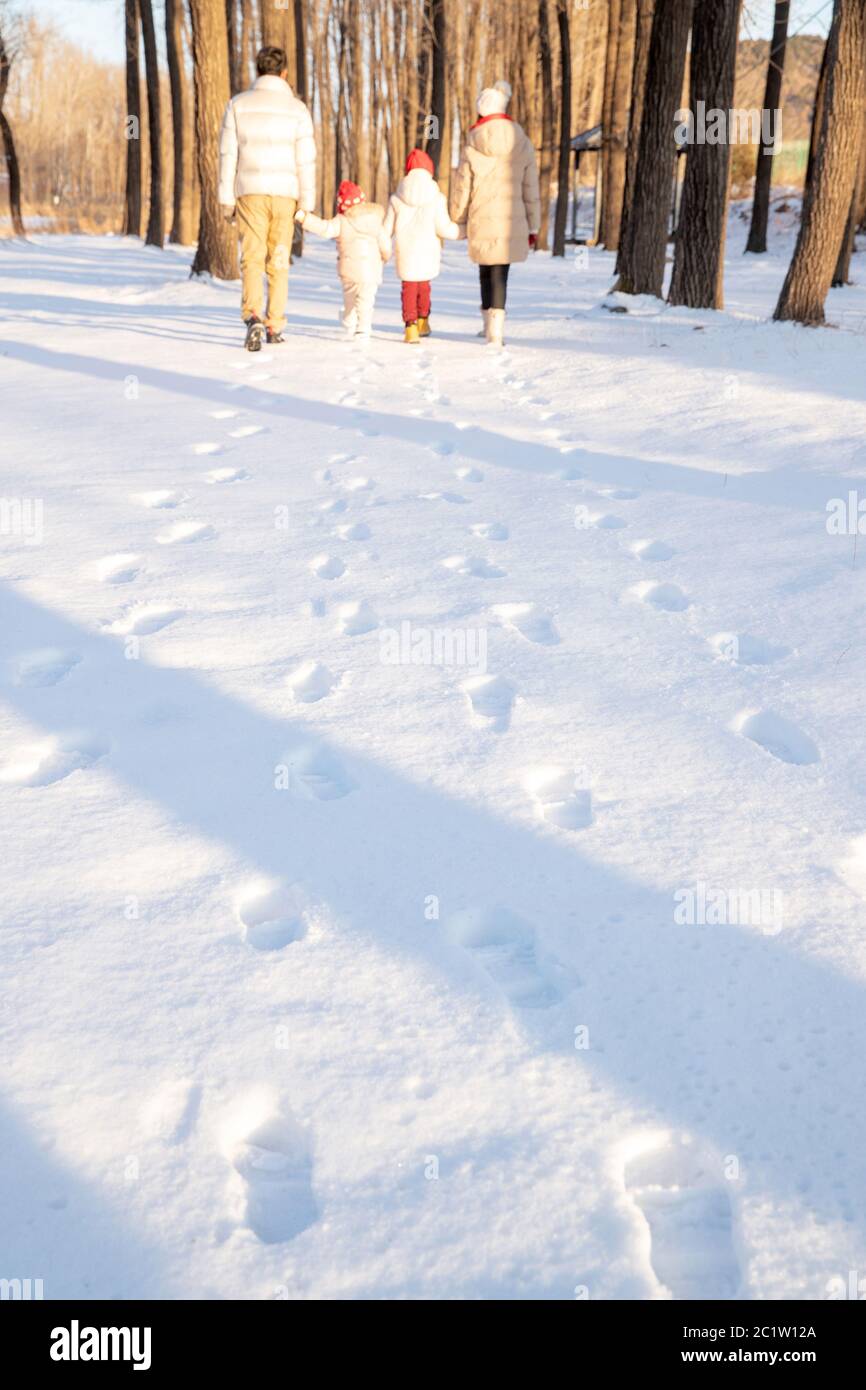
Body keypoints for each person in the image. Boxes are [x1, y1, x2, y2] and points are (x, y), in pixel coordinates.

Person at [218, 45, 317, 351]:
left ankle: (252, 316)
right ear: (284, 73)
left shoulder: (238, 104)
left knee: (252, 257)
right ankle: (275, 323)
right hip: (285, 195)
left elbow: (227, 154)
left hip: (250, 192)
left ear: (258, 70)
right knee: (278, 259)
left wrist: (226, 198)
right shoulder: (298, 109)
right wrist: (306, 203)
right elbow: (305, 160)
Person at [449, 80, 541, 348]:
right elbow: (530, 186)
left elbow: (462, 186)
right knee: (501, 271)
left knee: (485, 269)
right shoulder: (521, 140)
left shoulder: (472, 144)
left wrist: (458, 217)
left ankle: (488, 325)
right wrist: (533, 225)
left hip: (481, 216)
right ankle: (496, 331)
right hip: (512, 219)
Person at [383, 148, 463, 344]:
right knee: (424, 287)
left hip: (406, 252)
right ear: (429, 169)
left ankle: (410, 328)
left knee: (409, 287)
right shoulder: (437, 198)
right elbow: (444, 228)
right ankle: (423, 321)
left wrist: (381, 246)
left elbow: (386, 229)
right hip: (428, 251)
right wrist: (464, 231)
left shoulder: (396, 199)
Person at [295, 182, 391, 342]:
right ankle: (363, 328)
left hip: (349, 270)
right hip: (372, 269)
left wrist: (305, 218)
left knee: (350, 301)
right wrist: (385, 256)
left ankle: (349, 321)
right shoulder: (375, 220)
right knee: (366, 300)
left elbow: (324, 229)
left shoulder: (341, 221)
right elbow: (385, 242)